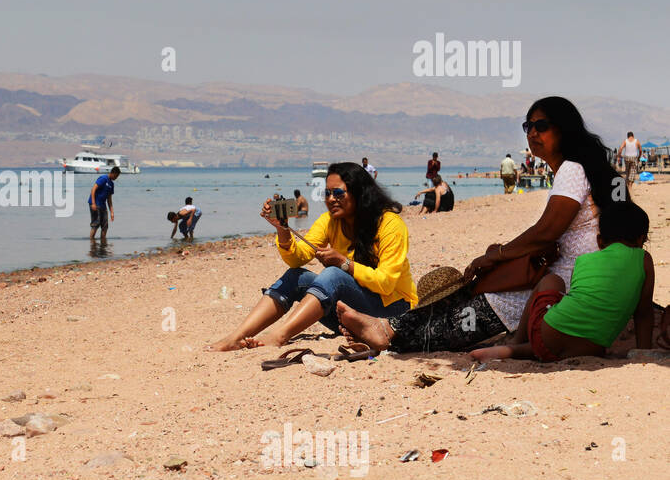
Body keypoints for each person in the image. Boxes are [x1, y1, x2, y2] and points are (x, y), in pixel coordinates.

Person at [338, 96, 618, 354]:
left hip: (568, 283)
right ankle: (387, 328)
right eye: (528, 126)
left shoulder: (571, 169)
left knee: (482, 307)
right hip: (563, 276)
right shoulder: (576, 169)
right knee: (466, 293)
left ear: (564, 129)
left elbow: (547, 231)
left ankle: (390, 336)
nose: (532, 133)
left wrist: (495, 256)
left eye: (541, 125)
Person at [208, 162, 415, 351]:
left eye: (338, 193)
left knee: (333, 274)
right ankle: (237, 337)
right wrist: (283, 229)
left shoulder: (389, 224)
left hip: (392, 311)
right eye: (327, 193)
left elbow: (387, 283)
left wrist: (343, 263)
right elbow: (298, 259)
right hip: (349, 311)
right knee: (295, 276)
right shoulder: (330, 221)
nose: (331, 199)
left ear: (360, 194)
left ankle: (279, 336)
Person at [470, 201, 654, 362]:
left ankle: (517, 341)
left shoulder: (584, 261)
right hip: (591, 349)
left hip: (548, 335)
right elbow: (644, 312)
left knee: (552, 281)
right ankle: (514, 350)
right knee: (569, 338)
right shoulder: (644, 259)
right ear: (641, 239)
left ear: (599, 241)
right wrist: (643, 352)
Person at [88, 166, 119, 243]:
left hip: (103, 205)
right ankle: (92, 244)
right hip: (95, 203)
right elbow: (93, 189)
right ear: (112, 173)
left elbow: (109, 199)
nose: (116, 178)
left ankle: (103, 244)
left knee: (105, 226)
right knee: (96, 224)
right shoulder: (103, 178)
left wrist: (112, 212)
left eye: (117, 176)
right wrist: (93, 203)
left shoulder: (111, 184)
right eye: (116, 176)